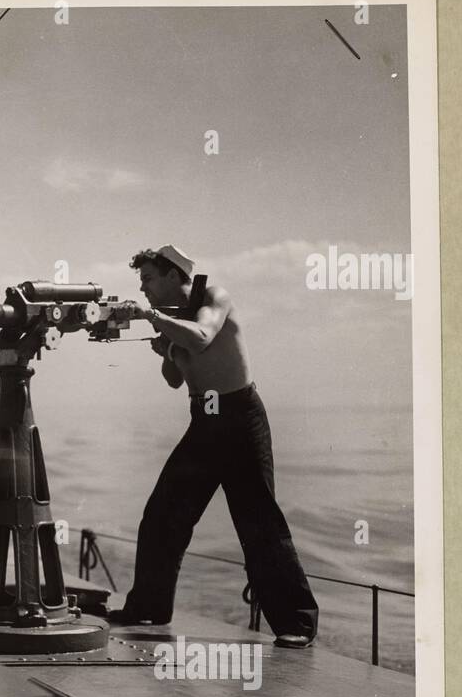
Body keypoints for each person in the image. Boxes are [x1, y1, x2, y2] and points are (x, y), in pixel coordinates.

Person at [109, 245, 319, 648]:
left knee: (259, 523)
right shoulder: (172, 318)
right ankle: (149, 607)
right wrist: (167, 347)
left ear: (174, 276)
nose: (144, 289)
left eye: (148, 279)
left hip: (240, 418)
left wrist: (153, 318)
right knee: (162, 515)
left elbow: (203, 338)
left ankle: (297, 624)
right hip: (204, 421)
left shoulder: (212, 297)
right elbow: (175, 377)